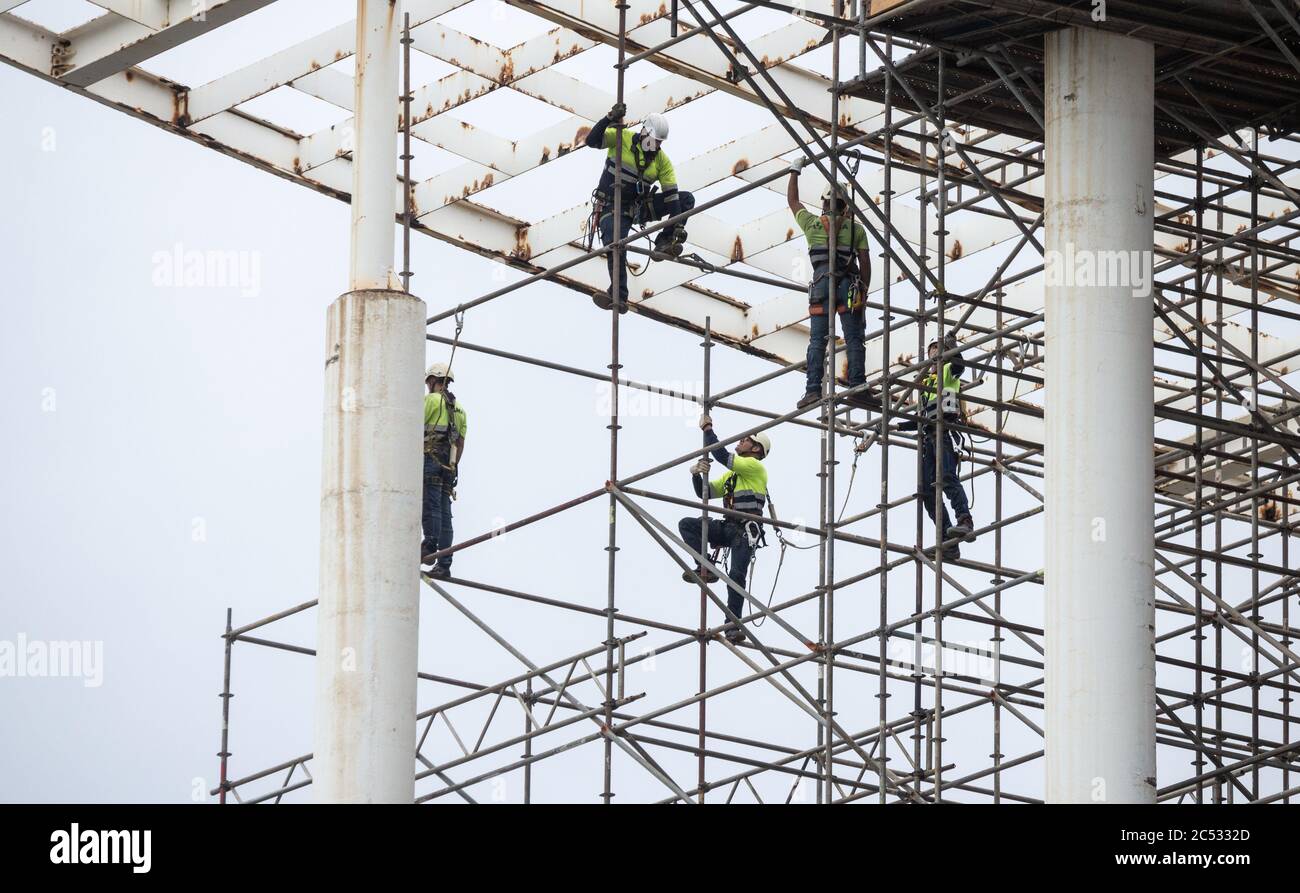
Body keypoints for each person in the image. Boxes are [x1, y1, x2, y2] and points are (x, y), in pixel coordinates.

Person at [585, 102, 696, 312]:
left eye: (659, 142)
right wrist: (609, 118)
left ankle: (664, 243)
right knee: (615, 242)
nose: (655, 146)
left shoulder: (662, 161)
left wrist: (677, 226)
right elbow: (592, 141)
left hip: (637, 208)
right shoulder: (622, 138)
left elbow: (672, 198)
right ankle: (618, 295)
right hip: (611, 206)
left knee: (686, 199)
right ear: (644, 131)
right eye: (653, 140)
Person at [676, 414, 771, 644]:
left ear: (756, 449)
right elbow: (705, 493)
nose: (740, 442)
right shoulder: (733, 476)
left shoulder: (754, 467)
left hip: (745, 533)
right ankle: (704, 564)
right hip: (729, 528)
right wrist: (696, 475)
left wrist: (708, 430)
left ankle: (733, 624)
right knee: (688, 525)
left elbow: (720, 454)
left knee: (736, 576)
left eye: (745, 439)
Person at [787, 156, 872, 410]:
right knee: (854, 338)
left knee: (817, 341)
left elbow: (792, 200)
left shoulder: (812, 223)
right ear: (846, 205)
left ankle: (813, 390)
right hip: (848, 286)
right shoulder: (856, 229)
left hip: (822, 284)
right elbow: (865, 265)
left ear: (823, 203)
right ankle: (857, 387)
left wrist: (795, 170)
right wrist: (863, 293)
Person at [901, 334, 974, 560]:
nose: (934, 353)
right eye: (932, 349)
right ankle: (947, 539)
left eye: (937, 349)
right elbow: (922, 416)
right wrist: (900, 424)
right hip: (928, 436)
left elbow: (959, 366)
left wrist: (952, 347)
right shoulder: (924, 383)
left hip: (945, 432)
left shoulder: (947, 371)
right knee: (926, 491)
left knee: (947, 477)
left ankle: (964, 520)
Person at [421, 362, 467, 580]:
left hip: (430, 459)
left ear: (433, 380)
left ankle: (429, 545)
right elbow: (460, 443)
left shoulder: (430, 401)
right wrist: (453, 466)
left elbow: (410, 426)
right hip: (449, 466)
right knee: (445, 513)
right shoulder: (460, 410)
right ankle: (444, 563)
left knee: (431, 506)